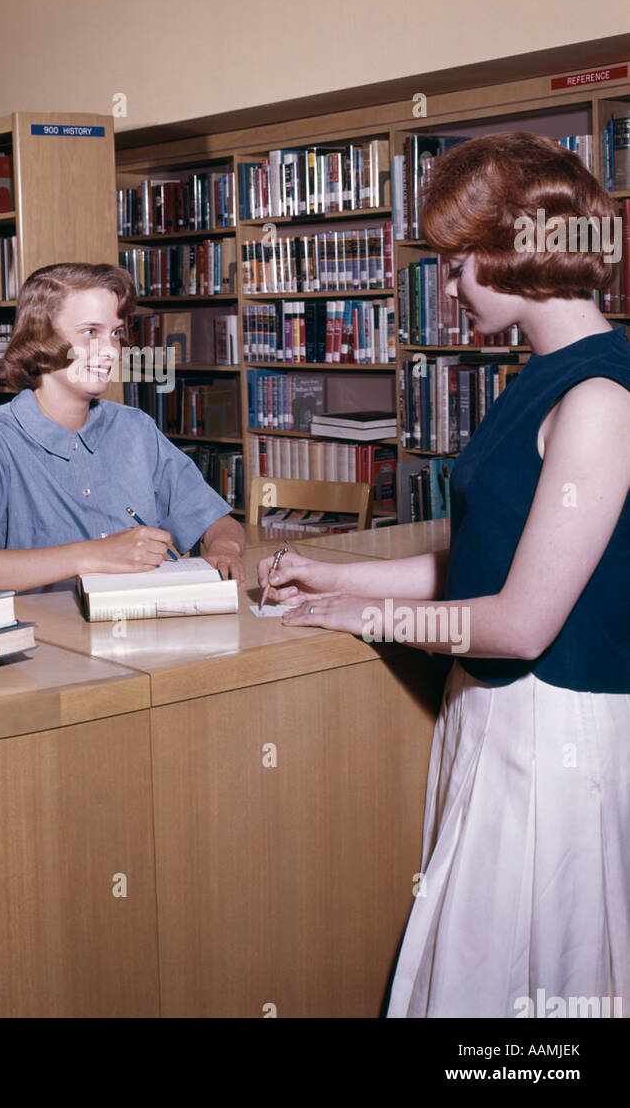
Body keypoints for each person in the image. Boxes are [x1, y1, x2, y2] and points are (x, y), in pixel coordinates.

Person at [257, 132, 630, 1018]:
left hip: (551, 724)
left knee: (521, 981)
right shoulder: (535, 379)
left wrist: (359, 617)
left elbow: (520, 622)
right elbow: (479, 565)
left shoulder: (598, 399)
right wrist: (328, 573)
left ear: (520, 253)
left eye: (461, 264)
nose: (452, 288)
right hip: (494, 716)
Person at [0, 262, 246, 593]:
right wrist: (95, 555)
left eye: (115, 333)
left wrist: (225, 550)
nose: (111, 349)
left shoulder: (135, 428)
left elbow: (218, 521)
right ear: (39, 339)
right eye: (90, 332)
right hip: (48, 637)